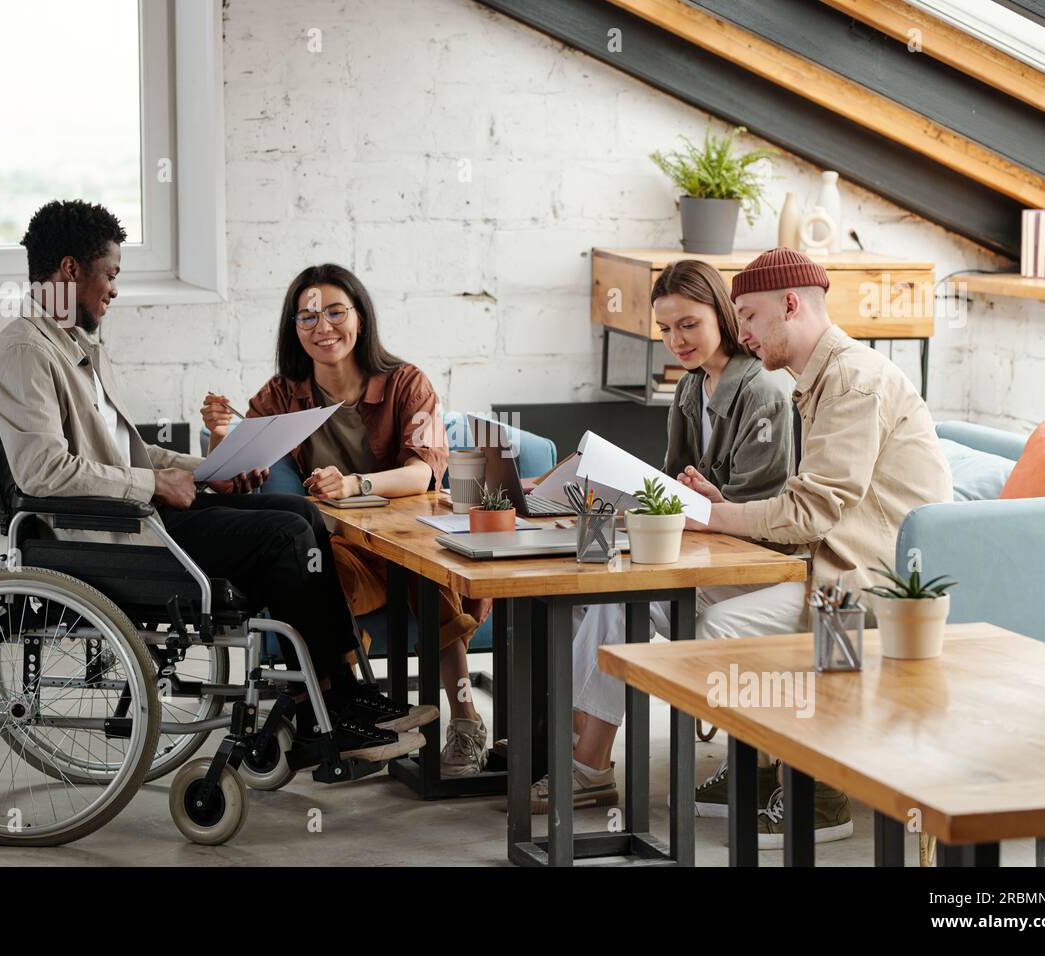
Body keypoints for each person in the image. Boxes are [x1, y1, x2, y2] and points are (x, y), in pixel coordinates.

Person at [0, 200, 429, 769]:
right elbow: (42, 472)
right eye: (111, 274)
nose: (114, 290)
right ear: (70, 271)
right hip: (105, 534)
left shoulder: (79, 348)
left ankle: (338, 692)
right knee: (285, 537)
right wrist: (154, 485)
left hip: (137, 515)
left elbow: (130, 454)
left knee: (299, 511)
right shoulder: (25, 350)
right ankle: (329, 707)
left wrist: (209, 469)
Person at [675, 246, 953, 846]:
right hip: (829, 563)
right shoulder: (819, 381)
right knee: (691, 592)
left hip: (872, 582)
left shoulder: (853, 381)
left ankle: (819, 790)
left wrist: (717, 517)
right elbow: (813, 509)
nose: (739, 330)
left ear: (790, 306)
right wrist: (721, 512)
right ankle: (766, 765)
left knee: (720, 626)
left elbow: (812, 507)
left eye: (747, 315)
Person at [201, 263, 494, 776]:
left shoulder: (406, 383)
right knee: (318, 582)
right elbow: (232, 482)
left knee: (431, 580)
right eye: (308, 317)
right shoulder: (280, 394)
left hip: (413, 534)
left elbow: (423, 472)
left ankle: (466, 722)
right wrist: (221, 435)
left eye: (336, 312)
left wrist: (355, 484)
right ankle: (357, 721)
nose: (324, 328)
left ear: (360, 317)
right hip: (345, 542)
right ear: (294, 328)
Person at [529, 259, 797, 814]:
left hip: (756, 572)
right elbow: (669, 487)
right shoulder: (689, 389)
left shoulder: (764, 390)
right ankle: (581, 752)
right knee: (595, 596)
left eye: (689, 325)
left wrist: (693, 499)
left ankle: (587, 763)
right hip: (702, 560)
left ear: (722, 314)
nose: (676, 340)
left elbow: (761, 518)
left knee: (617, 597)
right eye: (666, 330)